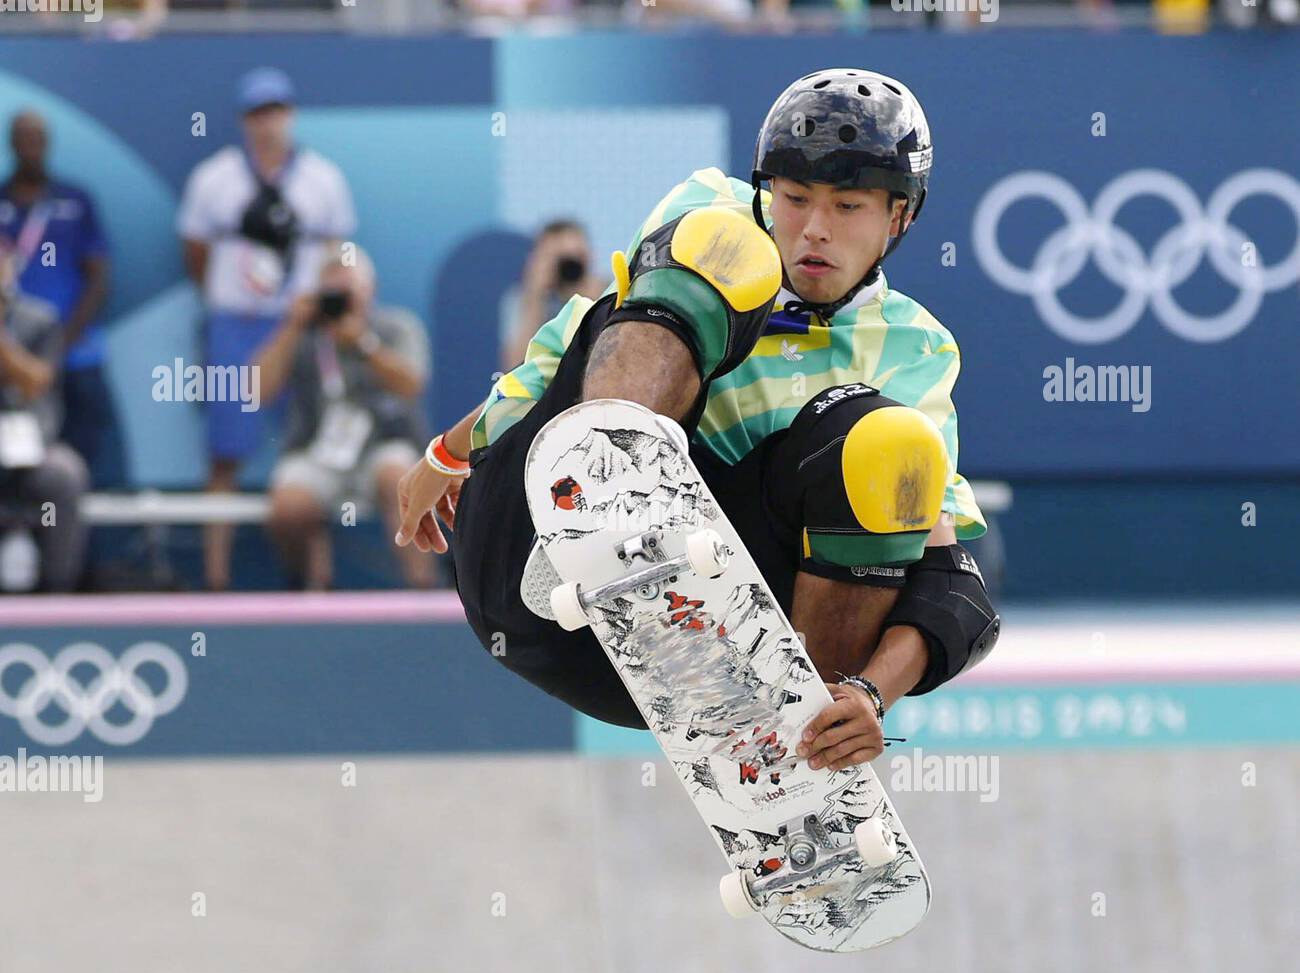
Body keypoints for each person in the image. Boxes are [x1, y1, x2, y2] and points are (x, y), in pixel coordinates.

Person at [397, 69, 1000, 769]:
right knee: (719, 247)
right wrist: (448, 450)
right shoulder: (714, 207)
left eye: (848, 207)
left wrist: (870, 694)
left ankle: (798, 752)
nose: (812, 230)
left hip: (703, 655)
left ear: (900, 216)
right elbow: (576, 343)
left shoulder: (914, 349)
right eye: (795, 199)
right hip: (533, 568)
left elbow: (953, 583)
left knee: (885, 439)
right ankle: (599, 504)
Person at [177, 66, 356, 590]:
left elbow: (338, 255)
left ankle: (315, 580)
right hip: (234, 326)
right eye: (257, 113)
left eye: (276, 111)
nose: (268, 123)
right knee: (226, 451)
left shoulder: (322, 179)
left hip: (300, 327)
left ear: (291, 115)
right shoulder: (215, 178)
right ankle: (216, 580)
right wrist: (231, 295)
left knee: (309, 448)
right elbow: (195, 251)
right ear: (242, 120)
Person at [254, 247, 434, 591]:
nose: (340, 302)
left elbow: (412, 385)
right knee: (290, 506)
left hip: (382, 445)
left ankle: (422, 587)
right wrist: (291, 326)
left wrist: (364, 344)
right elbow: (256, 391)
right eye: (331, 294)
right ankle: (307, 588)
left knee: (399, 478)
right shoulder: (305, 335)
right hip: (316, 451)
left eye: (347, 292)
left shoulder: (395, 327)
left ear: (372, 291)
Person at [0, 110, 124, 490]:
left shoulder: (74, 200)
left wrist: (61, 341)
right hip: (11, 353)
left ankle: (95, 549)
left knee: (84, 455)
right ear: (12, 143)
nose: (32, 146)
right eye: (24, 138)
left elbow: (98, 277)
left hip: (75, 350)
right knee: (22, 453)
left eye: (39, 138)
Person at [0, 243, 89, 592]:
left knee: (65, 475)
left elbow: (37, 382)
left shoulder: (39, 320)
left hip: (31, 445)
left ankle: (57, 594)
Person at [500, 219, 604, 373]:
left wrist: (595, 302)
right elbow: (513, 368)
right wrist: (535, 295)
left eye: (576, 256)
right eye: (561, 258)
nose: (569, 265)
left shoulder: (608, 292)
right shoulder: (522, 300)